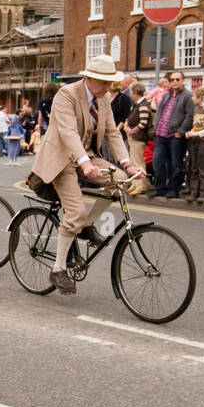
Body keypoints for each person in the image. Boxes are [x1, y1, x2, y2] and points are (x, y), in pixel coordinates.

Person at [29, 54, 144, 294]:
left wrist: (128, 163)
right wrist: (84, 163)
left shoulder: (104, 99)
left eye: (110, 82)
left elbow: (113, 133)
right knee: (75, 212)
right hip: (62, 159)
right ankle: (58, 269)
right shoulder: (66, 95)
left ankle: (86, 226)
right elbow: (68, 132)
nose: (107, 88)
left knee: (120, 180)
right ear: (89, 78)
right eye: (103, 82)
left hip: (88, 156)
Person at [149, 69, 194, 199]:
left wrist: (180, 132)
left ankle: (174, 189)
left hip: (176, 136)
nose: (174, 82)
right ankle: (160, 188)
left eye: (177, 79)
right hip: (161, 135)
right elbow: (159, 112)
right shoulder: (166, 95)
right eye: (172, 80)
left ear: (182, 81)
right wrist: (156, 128)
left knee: (176, 164)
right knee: (157, 162)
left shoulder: (187, 96)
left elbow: (189, 116)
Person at [123, 81, 152, 194]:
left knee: (138, 162)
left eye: (131, 92)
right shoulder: (136, 105)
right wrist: (126, 126)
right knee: (134, 161)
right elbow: (129, 118)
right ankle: (136, 183)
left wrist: (131, 130)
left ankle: (141, 185)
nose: (130, 95)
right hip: (133, 137)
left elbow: (143, 123)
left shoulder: (143, 105)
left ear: (136, 93)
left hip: (138, 138)